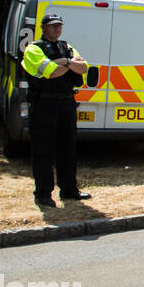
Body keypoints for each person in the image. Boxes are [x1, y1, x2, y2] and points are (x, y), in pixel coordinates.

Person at [22, 13, 90, 207]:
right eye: (52, 26)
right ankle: (43, 194)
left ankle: (69, 190)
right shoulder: (34, 49)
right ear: (43, 28)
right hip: (44, 104)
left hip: (67, 103)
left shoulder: (66, 47)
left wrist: (64, 62)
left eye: (59, 26)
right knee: (43, 151)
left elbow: (83, 68)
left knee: (67, 148)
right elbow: (52, 72)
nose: (57, 29)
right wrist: (68, 63)